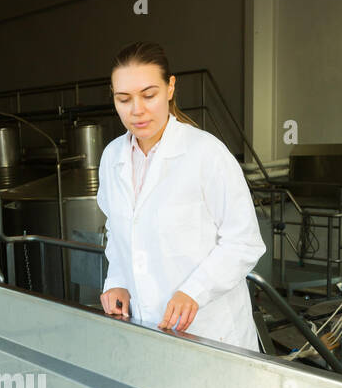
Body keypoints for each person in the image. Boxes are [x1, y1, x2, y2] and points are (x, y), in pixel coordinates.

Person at [97, 41, 265, 350]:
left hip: (212, 331)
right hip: (148, 325)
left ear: (170, 88)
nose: (137, 110)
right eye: (124, 99)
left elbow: (244, 242)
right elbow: (119, 232)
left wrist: (194, 292)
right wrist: (116, 281)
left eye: (149, 95)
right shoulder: (112, 158)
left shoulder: (206, 153)